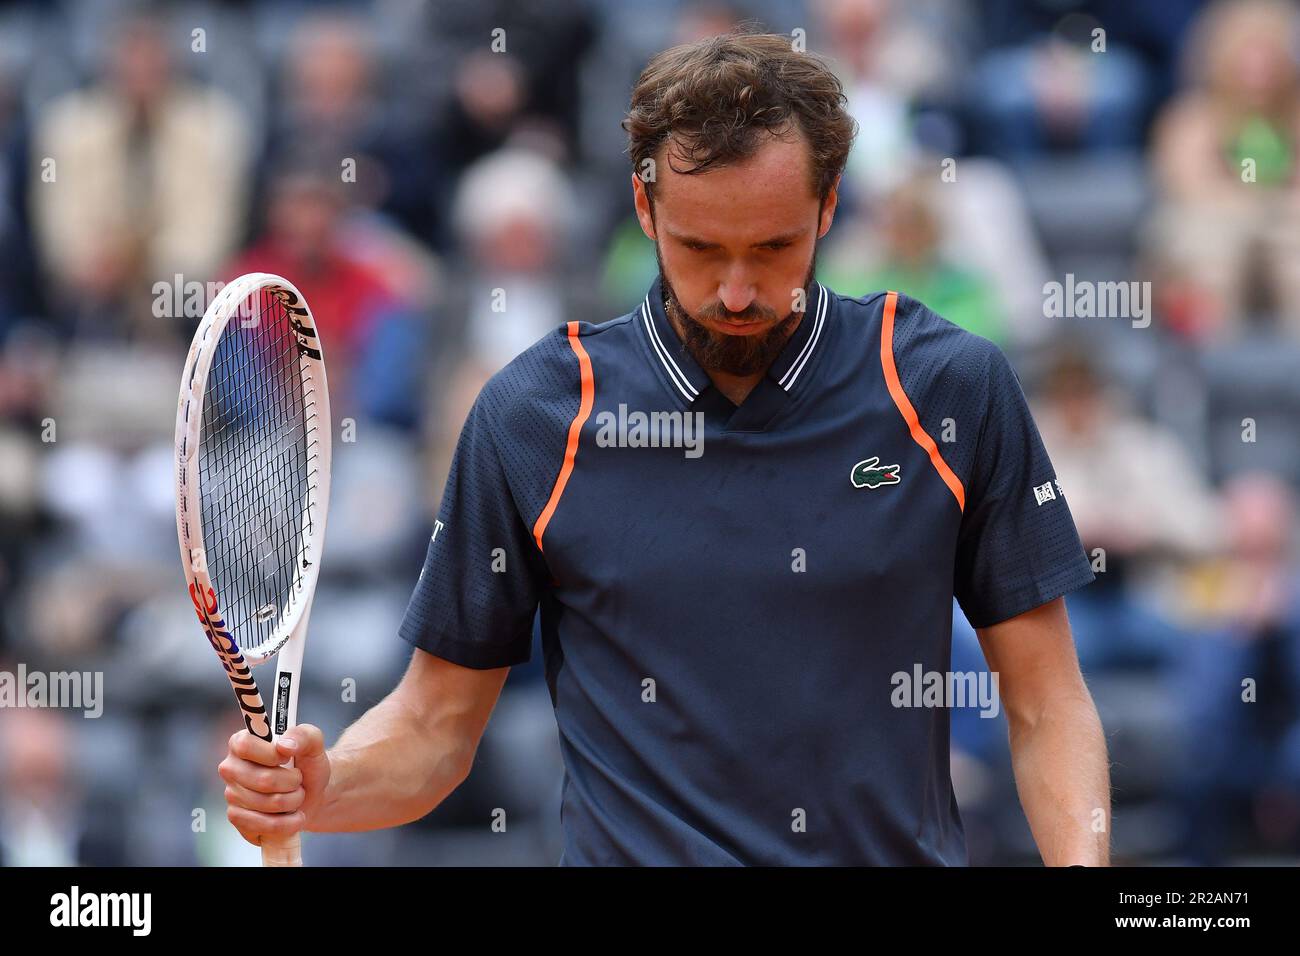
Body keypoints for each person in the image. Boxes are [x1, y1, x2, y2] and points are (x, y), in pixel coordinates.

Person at [220, 29, 1109, 866]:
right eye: (701, 248)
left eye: (774, 247)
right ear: (644, 207)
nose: (737, 291)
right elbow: (433, 728)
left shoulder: (950, 390)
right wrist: (325, 784)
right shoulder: (532, 418)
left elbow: (1046, 704)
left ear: (830, 205)